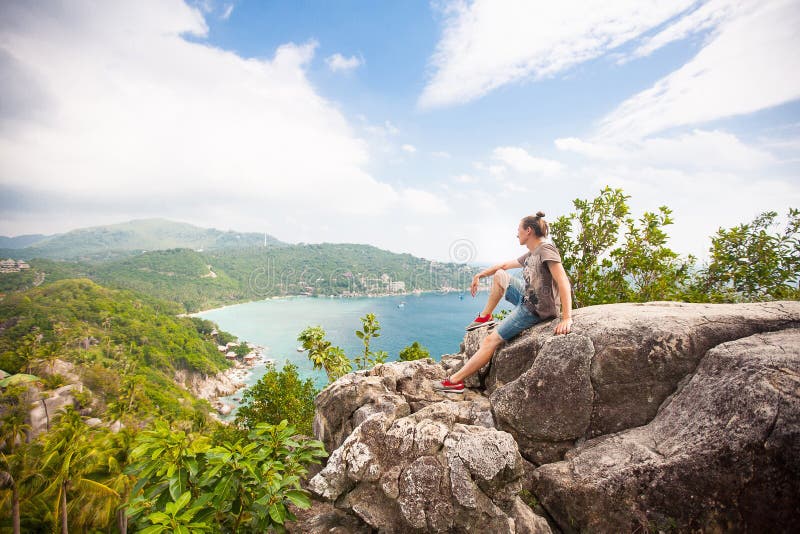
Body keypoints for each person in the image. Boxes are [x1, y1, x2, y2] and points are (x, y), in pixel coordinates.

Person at [434, 212, 573, 393]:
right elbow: (505, 266)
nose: (517, 234)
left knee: (491, 341)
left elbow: (563, 281)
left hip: (535, 309)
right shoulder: (532, 253)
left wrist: (567, 317)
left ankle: (455, 381)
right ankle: (485, 317)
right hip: (528, 298)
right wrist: (480, 275)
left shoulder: (546, 249)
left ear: (528, 231)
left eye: (518, 230)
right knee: (500, 275)